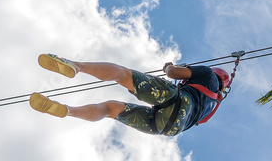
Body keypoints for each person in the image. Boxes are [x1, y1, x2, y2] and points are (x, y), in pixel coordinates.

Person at [29, 54, 230, 136]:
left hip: (177, 101)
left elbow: (174, 74)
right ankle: (68, 111)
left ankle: (76, 66)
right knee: (111, 109)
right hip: (168, 128)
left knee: (123, 75)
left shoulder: (208, 75)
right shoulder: (211, 107)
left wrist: (169, 66)